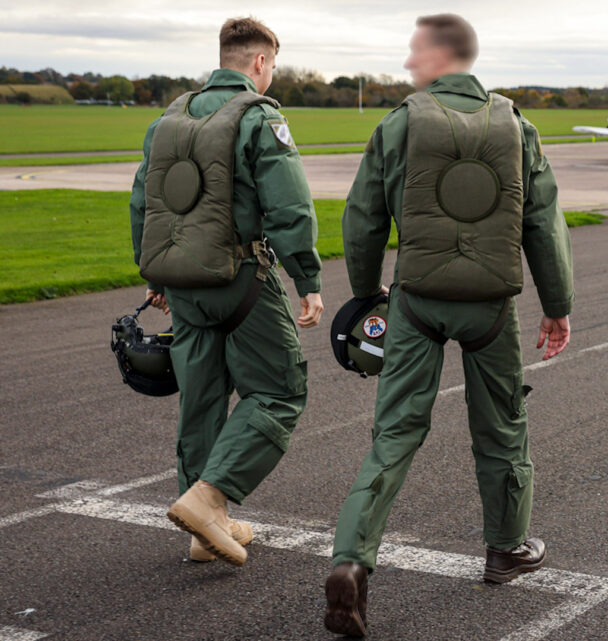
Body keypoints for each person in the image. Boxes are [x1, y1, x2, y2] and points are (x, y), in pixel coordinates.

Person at [323, 13, 574, 637]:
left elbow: (362, 218)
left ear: (444, 56)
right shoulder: (517, 126)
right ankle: (506, 548)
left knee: (393, 434)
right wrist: (557, 303)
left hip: (416, 300)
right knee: (503, 425)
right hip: (490, 305)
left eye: (416, 52)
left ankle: (351, 561)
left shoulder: (401, 122)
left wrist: (364, 297)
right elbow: (542, 222)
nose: (410, 63)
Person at [128, 16, 324, 566]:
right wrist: (306, 278)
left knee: (202, 402)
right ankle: (210, 500)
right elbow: (288, 205)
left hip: (182, 285)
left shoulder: (168, 119)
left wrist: (157, 276)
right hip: (241, 282)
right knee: (280, 392)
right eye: (274, 65)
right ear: (260, 62)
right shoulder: (260, 117)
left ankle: (203, 531)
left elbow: (143, 204)